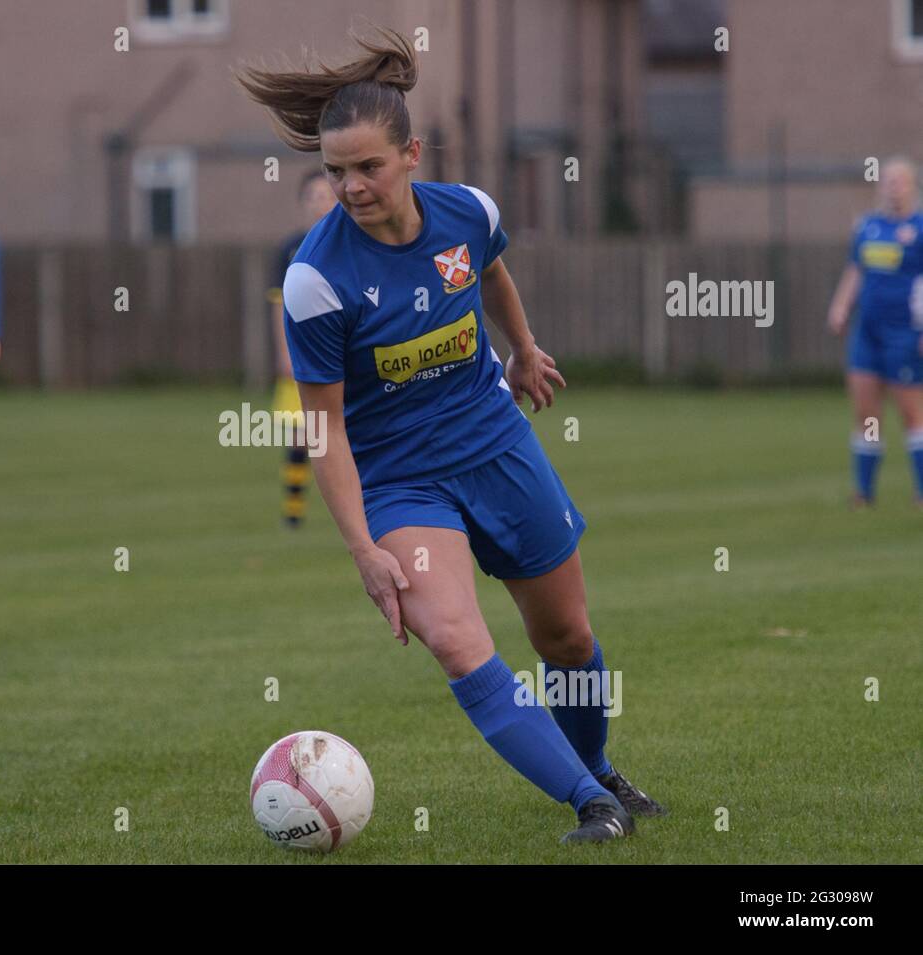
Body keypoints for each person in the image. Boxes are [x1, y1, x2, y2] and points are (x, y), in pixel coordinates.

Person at [237, 26, 664, 843]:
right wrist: (365, 548)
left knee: (567, 635)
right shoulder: (315, 279)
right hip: (402, 482)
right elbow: (322, 429)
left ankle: (597, 769)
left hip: (497, 445)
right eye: (336, 172)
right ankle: (591, 805)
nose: (350, 188)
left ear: (411, 155)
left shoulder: (468, 213)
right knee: (459, 641)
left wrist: (524, 350)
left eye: (367, 167)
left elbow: (493, 270)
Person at [827, 157, 923, 507]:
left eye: (899, 181)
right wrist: (840, 307)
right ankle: (864, 492)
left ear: (913, 186)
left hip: (906, 334)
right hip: (868, 334)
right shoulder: (868, 227)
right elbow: (856, 270)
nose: (892, 187)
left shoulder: (920, 227)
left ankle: (921, 491)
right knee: (867, 415)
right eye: (887, 181)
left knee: (912, 414)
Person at [267, 169, 337, 527]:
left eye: (326, 196)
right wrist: (284, 353)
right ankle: (294, 511)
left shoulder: (351, 242)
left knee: (347, 433)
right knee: (300, 434)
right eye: (312, 197)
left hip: (341, 357)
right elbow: (279, 304)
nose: (319, 203)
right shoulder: (291, 249)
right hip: (302, 356)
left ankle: (362, 507)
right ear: (302, 204)